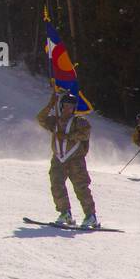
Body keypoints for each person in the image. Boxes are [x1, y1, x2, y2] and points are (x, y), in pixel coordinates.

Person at [36, 91, 98, 228]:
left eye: (71, 106)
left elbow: (85, 134)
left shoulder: (79, 121)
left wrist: (67, 136)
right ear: (61, 106)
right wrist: (50, 104)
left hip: (75, 159)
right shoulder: (55, 121)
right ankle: (65, 212)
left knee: (81, 187)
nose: (68, 109)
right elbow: (40, 119)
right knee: (57, 184)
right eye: (65, 106)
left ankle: (91, 216)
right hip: (59, 159)